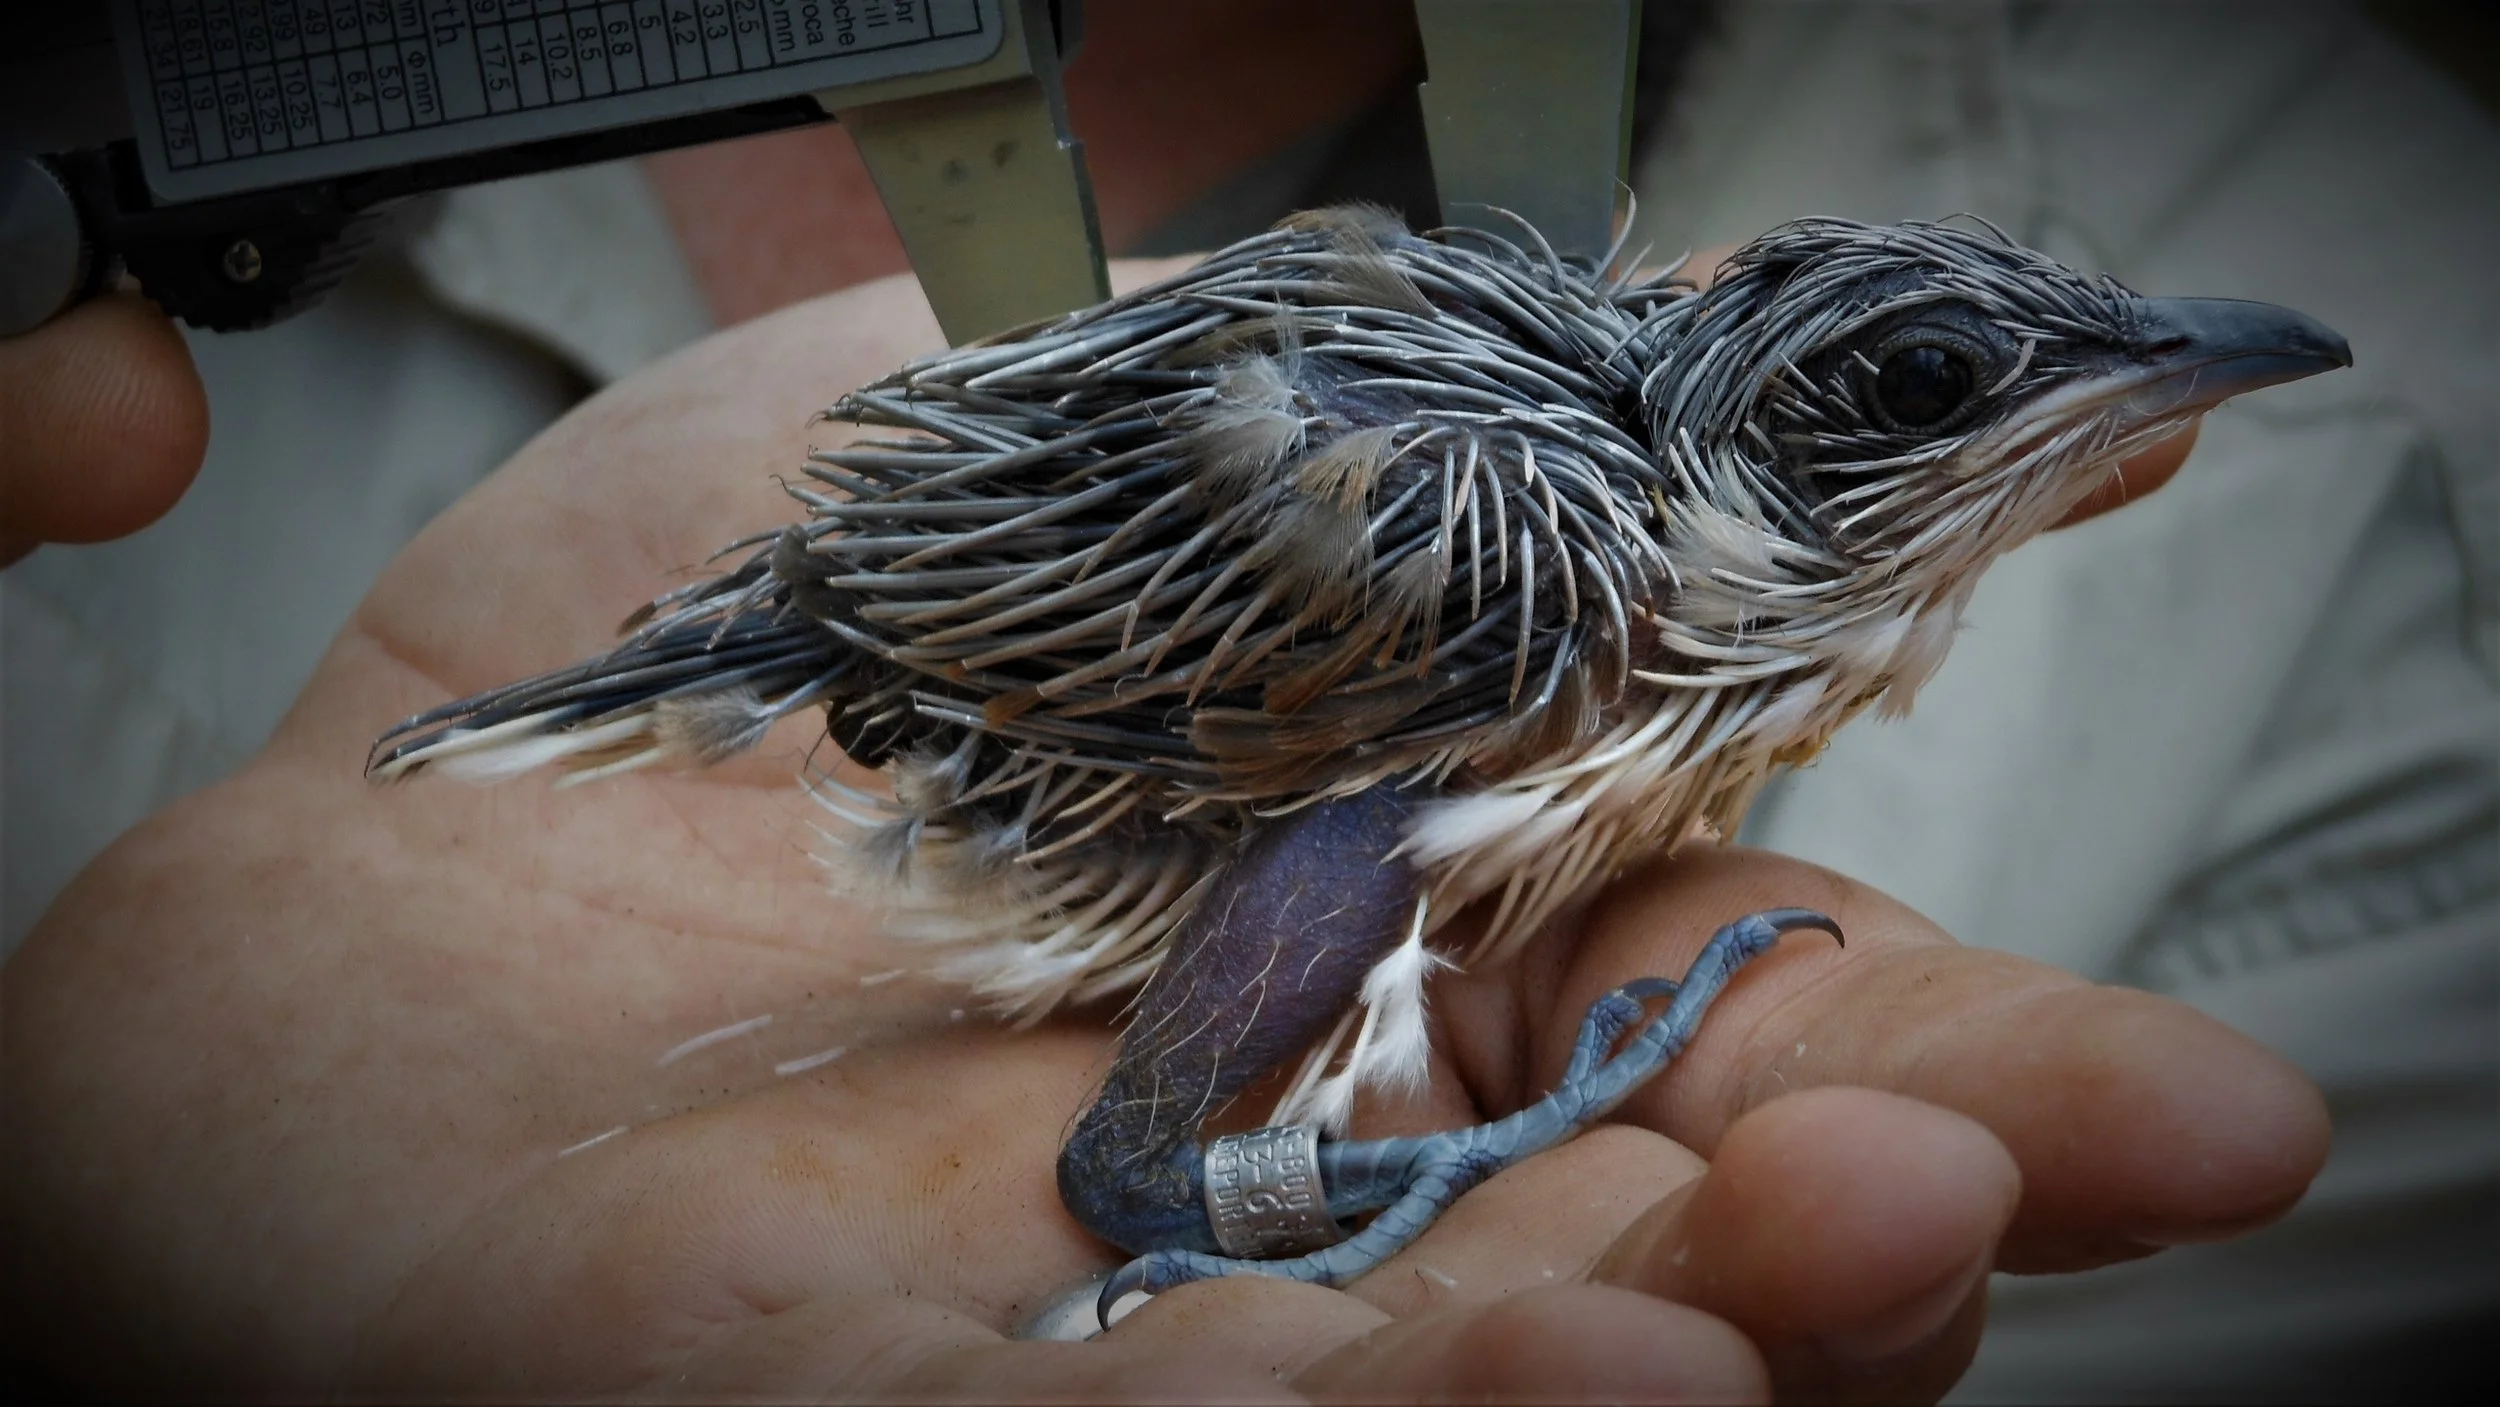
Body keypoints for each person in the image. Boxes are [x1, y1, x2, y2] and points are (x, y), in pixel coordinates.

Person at [1, 0, 2485, 1398]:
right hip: (997, 675)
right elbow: (1200, 759)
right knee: (1344, 866)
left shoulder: (2389, 400)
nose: (2169, 375)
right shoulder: (1550, 572)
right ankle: (1212, 1168)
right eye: (1935, 382)